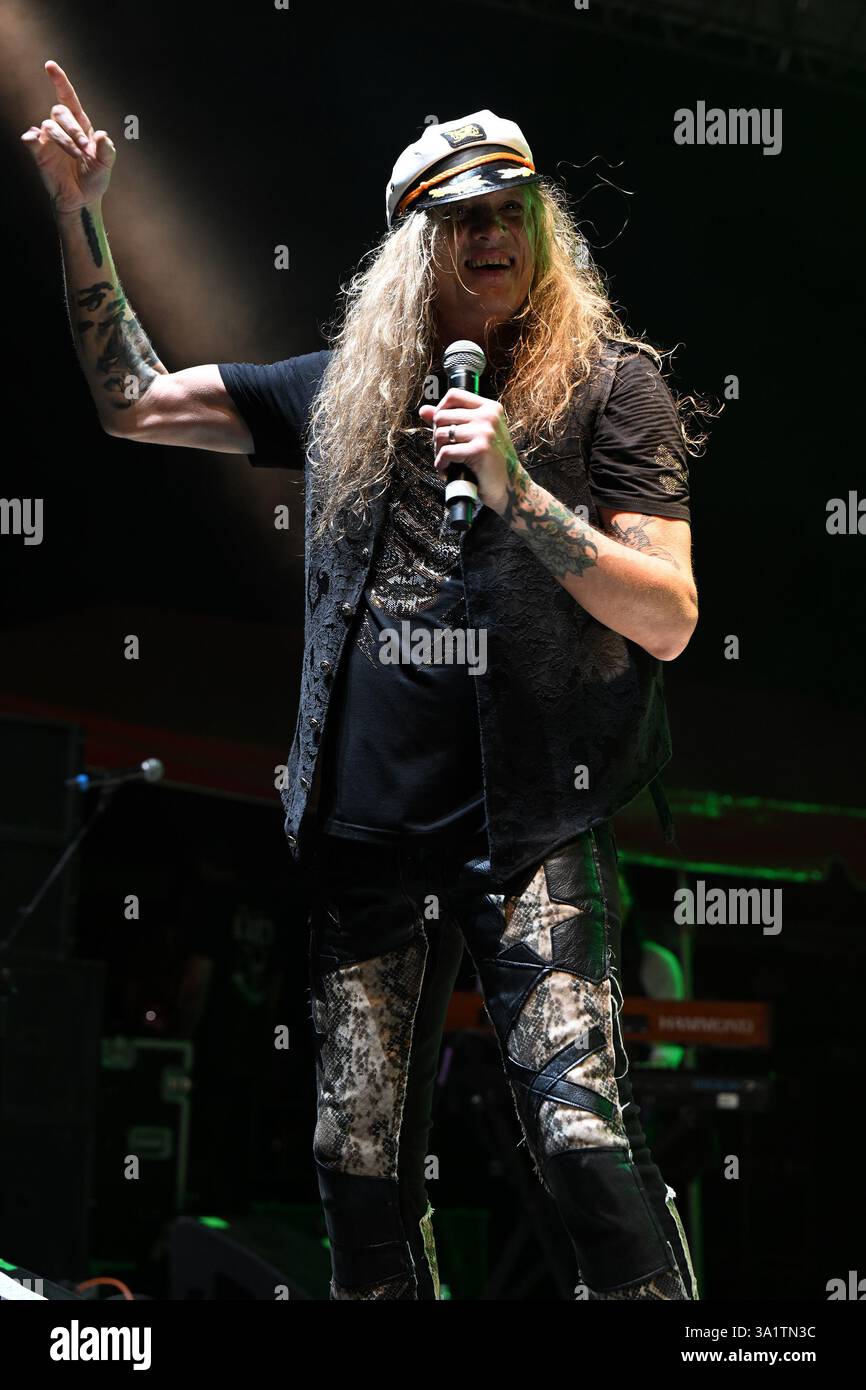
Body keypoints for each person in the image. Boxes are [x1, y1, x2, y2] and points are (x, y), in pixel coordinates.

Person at [24, 67, 701, 1301]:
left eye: (513, 211)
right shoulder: (341, 391)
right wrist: (82, 212)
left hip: (532, 823)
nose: (493, 236)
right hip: (367, 832)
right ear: (413, 249)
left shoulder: (612, 387)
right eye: (461, 218)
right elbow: (131, 401)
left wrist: (520, 490)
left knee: (581, 1140)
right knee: (357, 1163)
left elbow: (666, 619)